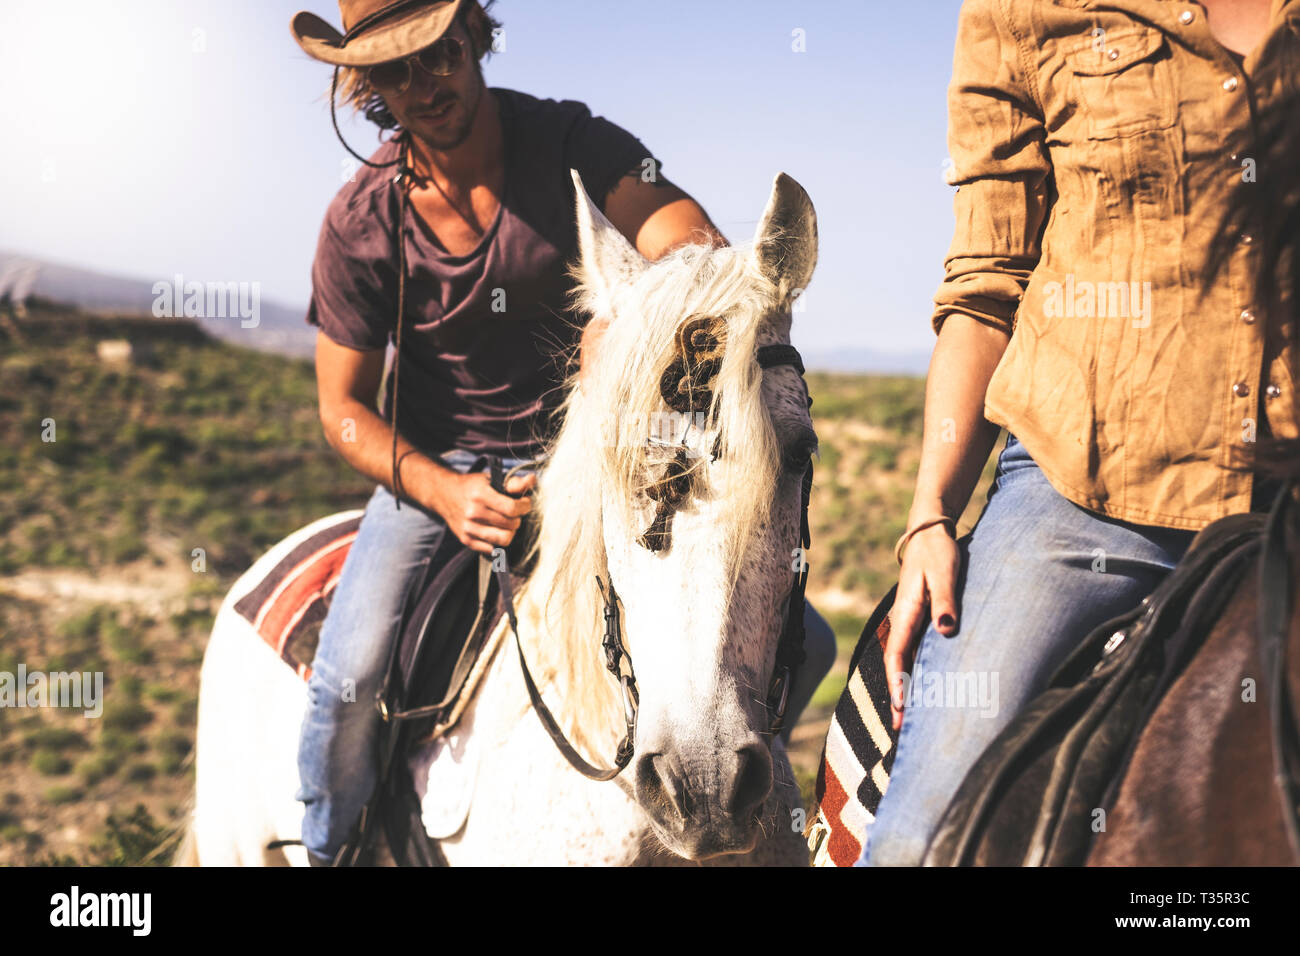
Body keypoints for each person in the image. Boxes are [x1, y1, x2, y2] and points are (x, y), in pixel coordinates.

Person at [289, 0, 836, 865]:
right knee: (349, 683)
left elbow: (694, 244)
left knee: (811, 642)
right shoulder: (360, 223)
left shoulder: (573, 144)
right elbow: (343, 411)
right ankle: (331, 850)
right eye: (395, 69)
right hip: (442, 473)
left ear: (473, 36)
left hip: (599, 458)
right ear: (368, 87)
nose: (425, 83)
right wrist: (442, 490)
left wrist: (625, 327)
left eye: (438, 53)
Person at [860, 0, 1296, 866]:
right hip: (1085, 498)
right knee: (922, 833)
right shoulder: (1023, 12)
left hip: (1286, 489)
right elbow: (988, 285)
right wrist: (928, 518)